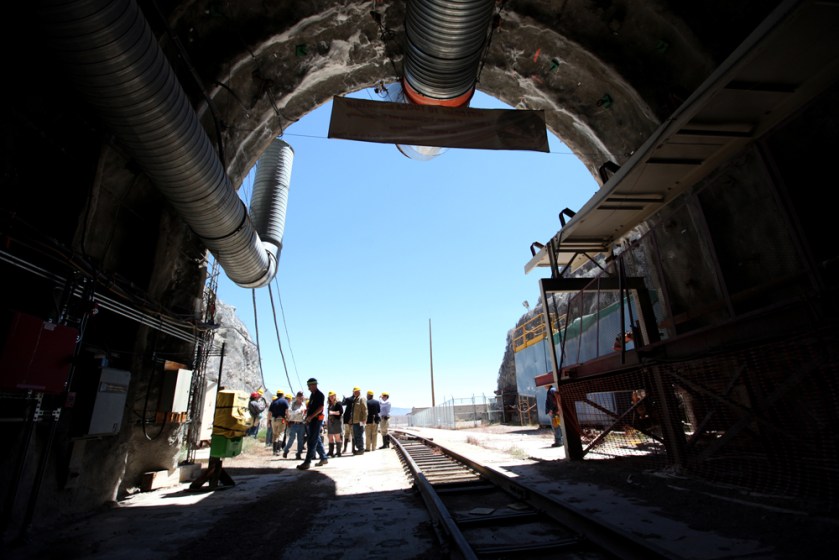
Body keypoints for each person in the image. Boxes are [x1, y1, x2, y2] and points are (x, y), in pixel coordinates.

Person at [297, 378, 329, 470]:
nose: (308, 388)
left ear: (314, 385)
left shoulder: (319, 395)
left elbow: (320, 408)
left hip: (316, 420)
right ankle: (323, 458)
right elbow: (312, 407)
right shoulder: (312, 395)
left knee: (311, 441)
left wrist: (311, 417)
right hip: (311, 420)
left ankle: (307, 462)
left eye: (309, 386)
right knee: (316, 438)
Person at [283, 391, 307, 460]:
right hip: (293, 424)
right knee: (291, 439)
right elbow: (290, 412)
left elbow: (304, 413)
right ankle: (286, 450)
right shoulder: (292, 404)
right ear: (297, 397)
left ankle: (298, 454)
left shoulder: (303, 405)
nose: (300, 397)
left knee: (300, 440)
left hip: (301, 424)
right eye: (299, 396)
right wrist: (298, 412)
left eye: (301, 396)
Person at [267, 390, 289, 455]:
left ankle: (274, 451)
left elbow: (269, 413)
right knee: (281, 434)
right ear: (282, 394)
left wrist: (268, 421)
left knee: (274, 434)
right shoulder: (285, 401)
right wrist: (287, 419)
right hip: (281, 419)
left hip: (274, 420)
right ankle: (278, 450)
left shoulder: (273, 402)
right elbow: (287, 411)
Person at [325, 391, 344, 457]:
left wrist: (332, 412)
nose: (331, 397)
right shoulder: (329, 404)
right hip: (330, 422)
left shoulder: (338, 403)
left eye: (332, 396)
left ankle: (338, 452)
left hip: (337, 422)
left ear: (335, 396)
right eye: (330, 396)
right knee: (330, 437)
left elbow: (341, 412)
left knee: (337, 438)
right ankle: (331, 452)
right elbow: (328, 413)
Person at [350, 386, 367, 455]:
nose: (355, 393)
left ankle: (361, 449)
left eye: (357, 391)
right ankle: (358, 448)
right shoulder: (355, 399)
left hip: (360, 421)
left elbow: (365, 410)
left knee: (359, 435)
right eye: (354, 392)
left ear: (359, 392)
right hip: (355, 421)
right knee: (356, 435)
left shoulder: (361, 399)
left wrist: (364, 419)